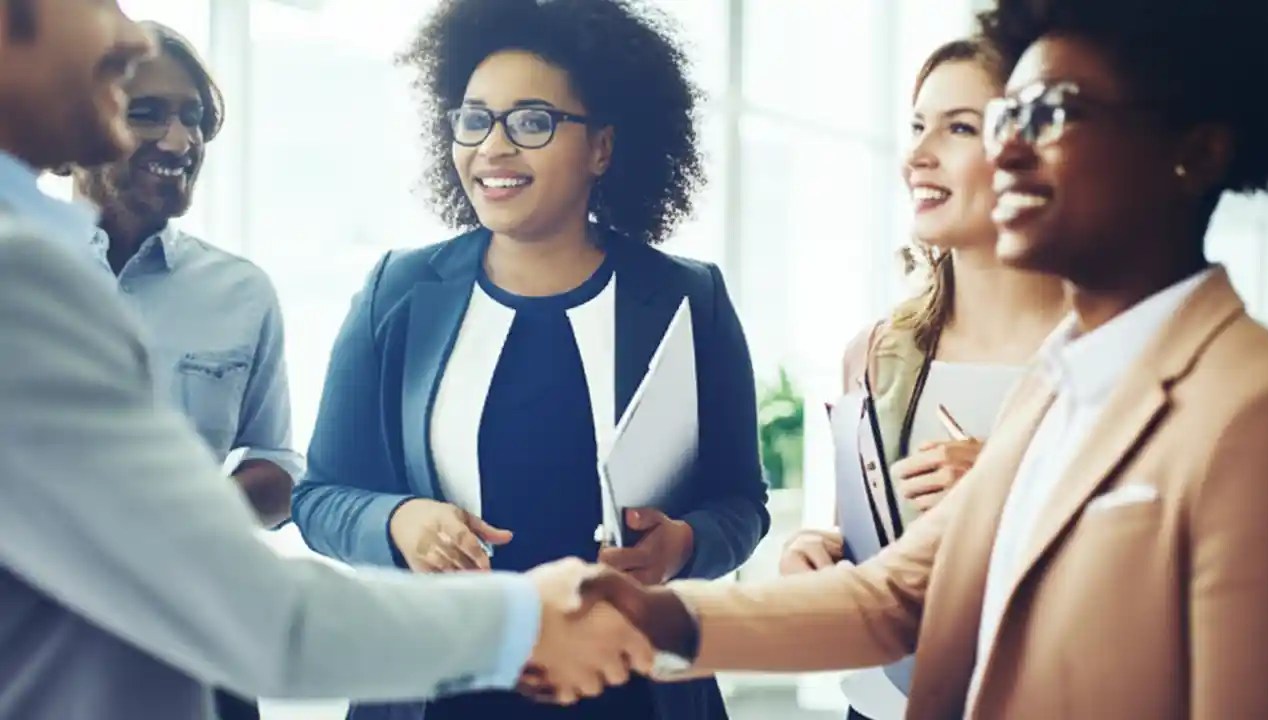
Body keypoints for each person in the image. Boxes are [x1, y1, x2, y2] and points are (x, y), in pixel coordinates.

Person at [570, 0, 1268, 717]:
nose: (1007, 152)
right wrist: (635, 618)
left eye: (1053, 114)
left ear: (1197, 153)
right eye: (1007, 119)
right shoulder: (1060, 381)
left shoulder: (1253, 410)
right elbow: (892, 597)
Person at [0, 3, 654, 719]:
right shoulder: (26, 275)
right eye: (98, 4)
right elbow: (277, 604)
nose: (127, 35)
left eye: (533, 122)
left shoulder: (221, 288)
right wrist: (519, 614)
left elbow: (282, 476)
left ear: (603, 147)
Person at [291, 1, 768, 719]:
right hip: (440, 688)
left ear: (601, 148)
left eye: (533, 121)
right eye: (475, 119)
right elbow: (320, 495)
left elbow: (741, 504)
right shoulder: (399, 290)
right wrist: (399, 522)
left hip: (636, 691)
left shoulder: (686, 297)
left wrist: (683, 545)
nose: (494, 147)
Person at [777, 36, 1066, 719]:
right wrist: (813, 556)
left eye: (959, 127)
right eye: (916, 126)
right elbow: (864, 544)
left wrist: (1004, 497)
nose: (917, 155)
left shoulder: (1107, 358)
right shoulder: (876, 355)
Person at [68, 23, 298, 543]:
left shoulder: (243, 292)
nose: (180, 141)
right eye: (146, 113)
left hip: (181, 610)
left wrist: (188, 520)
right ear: (79, 124)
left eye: (192, 118)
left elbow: (277, 463)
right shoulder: (20, 273)